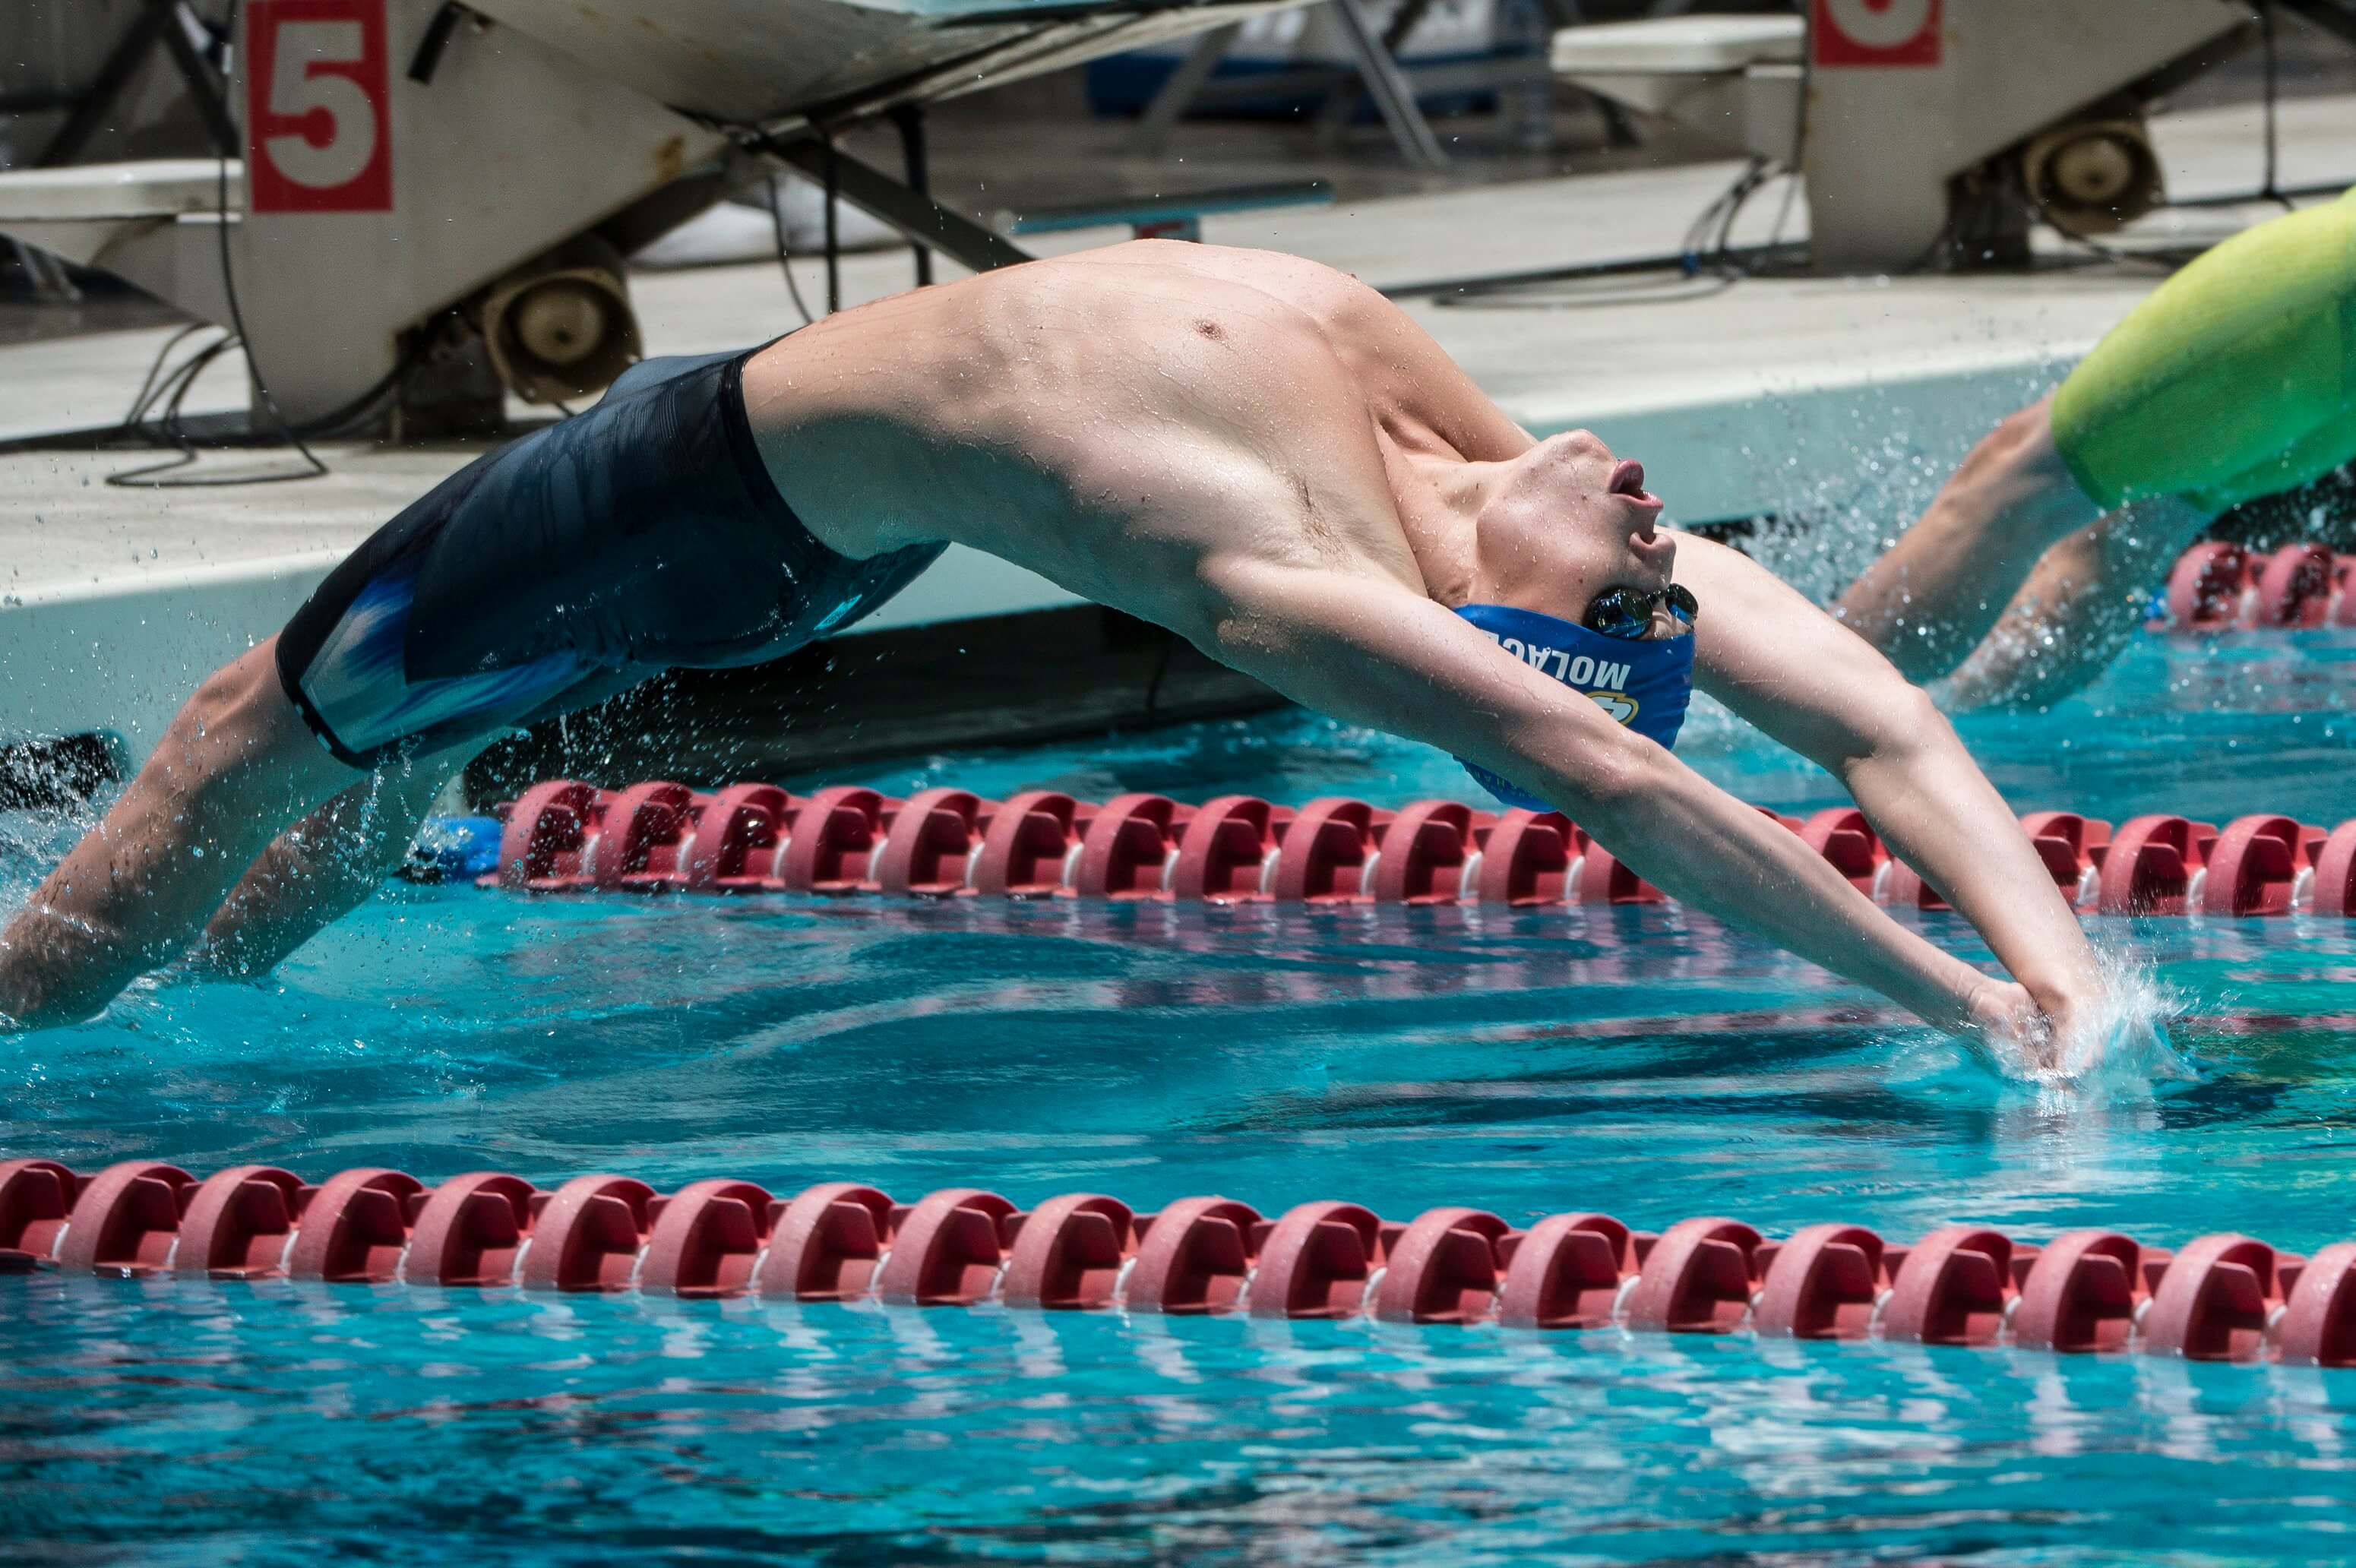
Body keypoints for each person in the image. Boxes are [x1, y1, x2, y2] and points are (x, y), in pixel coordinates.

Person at [2, 241, 2107, 1054]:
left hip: (693, 516)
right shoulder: (1479, 449)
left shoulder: (1271, 566)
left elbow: (1612, 764)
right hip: (805, 493)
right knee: (382, 775)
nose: (1660, 538)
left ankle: (49, 1025)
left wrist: (1977, 1019)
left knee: (232, 748)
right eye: (1656, 583)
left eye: (1628, 595)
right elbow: (1868, 717)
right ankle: (206, 991)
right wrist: (2043, 979)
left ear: (1511, 632)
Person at [1838, 185, 2356, 706]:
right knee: (2141, 525)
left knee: (2016, 476)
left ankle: (1788, 715)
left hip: (2318, 307)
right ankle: (1963, 725)